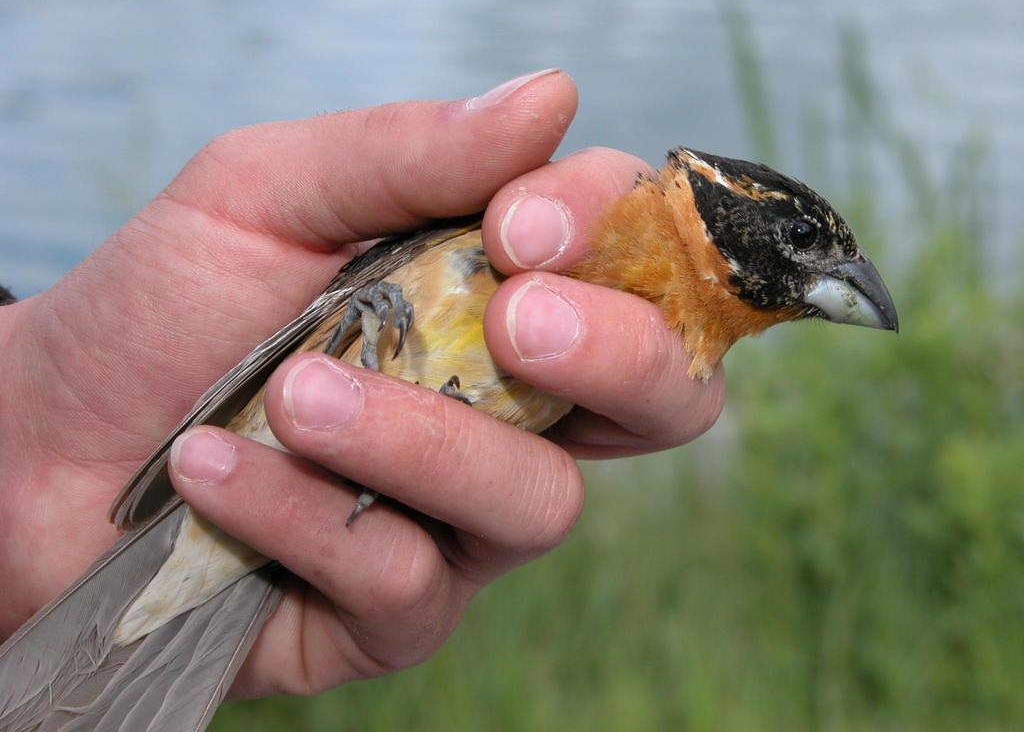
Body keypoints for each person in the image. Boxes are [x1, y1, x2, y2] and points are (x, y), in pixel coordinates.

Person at [0, 69, 723, 699]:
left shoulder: (613, 325)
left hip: (264, 532)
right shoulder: (572, 224)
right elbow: (351, 286)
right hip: (240, 442)